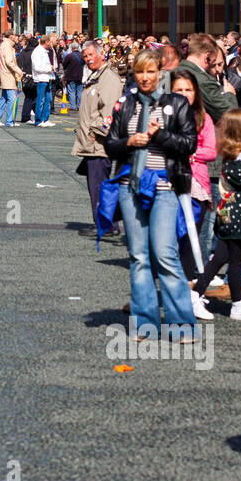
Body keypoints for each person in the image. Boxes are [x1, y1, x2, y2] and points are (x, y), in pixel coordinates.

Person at [103, 49, 200, 337]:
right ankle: (145, 323)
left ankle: (182, 324)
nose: (145, 77)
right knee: (139, 256)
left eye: (150, 71)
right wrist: (129, 141)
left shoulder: (176, 104)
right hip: (130, 185)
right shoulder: (125, 104)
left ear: (160, 73)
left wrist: (160, 136)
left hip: (165, 187)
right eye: (139, 72)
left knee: (165, 254)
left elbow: (189, 144)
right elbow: (110, 146)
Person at [190, 109, 241, 322]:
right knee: (235, 261)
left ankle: (200, 294)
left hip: (232, 217)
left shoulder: (237, 157)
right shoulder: (240, 160)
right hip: (238, 219)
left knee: (223, 259)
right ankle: (234, 302)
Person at [169, 68, 214, 277]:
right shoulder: (163, 115)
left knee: (191, 237)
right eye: (179, 89)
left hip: (197, 184)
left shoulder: (204, 118)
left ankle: (188, 285)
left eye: (189, 89)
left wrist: (190, 153)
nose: (185, 93)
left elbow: (211, 151)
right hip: (169, 183)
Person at [72, 41, 123, 227]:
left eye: (91, 55)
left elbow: (109, 112)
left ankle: (106, 225)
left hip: (99, 144)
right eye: (85, 56)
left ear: (101, 54)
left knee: (99, 186)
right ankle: (104, 223)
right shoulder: (96, 76)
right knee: (96, 185)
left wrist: (96, 133)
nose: (87, 59)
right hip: (92, 143)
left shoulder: (108, 78)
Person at [0, 31, 23, 127]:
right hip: (8, 75)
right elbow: (9, 62)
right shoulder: (7, 47)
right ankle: (9, 121)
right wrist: (19, 71)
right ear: (11, 36)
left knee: (4, 98)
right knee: (11, 98)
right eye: (15, 36)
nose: (16, 38)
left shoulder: (5, 45)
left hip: (6, 74)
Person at [30, 35, 58, 127]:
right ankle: (38, 120)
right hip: (41, 78)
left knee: (48, 99)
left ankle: (45, 119)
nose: (51, 44)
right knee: (41, 100)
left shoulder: (44, 51)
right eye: (50, 42)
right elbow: (37, 67)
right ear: (46, 42)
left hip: (47, 78)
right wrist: (49, 68)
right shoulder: (37, 52)